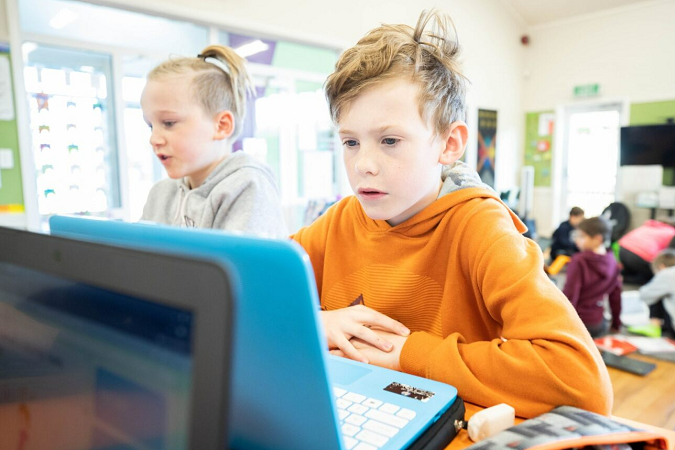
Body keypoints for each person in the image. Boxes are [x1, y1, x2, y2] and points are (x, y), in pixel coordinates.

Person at [292, 10, 611, 418]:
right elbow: (249, 292)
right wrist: (314, 321)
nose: (363, 165)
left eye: (389, 140)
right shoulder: (340, 220)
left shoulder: (482, 230)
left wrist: (406, 352)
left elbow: (580, 381)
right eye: (351, 142)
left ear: (449, 143)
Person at [140, 45, 287, 237]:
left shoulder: (248, 187)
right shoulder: (161, 195)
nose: (154, 139)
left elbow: (239, 266)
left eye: (169, 123)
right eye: (151, 126)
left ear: (221, 126)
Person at [562, 217, 622, 338]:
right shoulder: (612, 261)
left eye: (582, 237)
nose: (577, 240)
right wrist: (616, 323)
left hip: (578, 323)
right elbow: (615, 296)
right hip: (598, 323)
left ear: (597, 239)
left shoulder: (579, 260)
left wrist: (562, 324)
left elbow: (570, 295)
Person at [618, 218, 675, 285]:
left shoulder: (652, 225)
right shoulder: (672, 232)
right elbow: (669, 255)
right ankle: (623, 279)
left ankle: (619, 275)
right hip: (639, 255)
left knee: (634, 269)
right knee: (653, 276)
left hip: (622, 249)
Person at [639, 249, 675, 338]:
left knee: (657, 294)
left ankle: (654, 326)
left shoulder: (667, 274)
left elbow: (644, 294)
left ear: (661, 266)